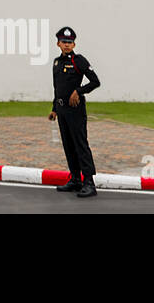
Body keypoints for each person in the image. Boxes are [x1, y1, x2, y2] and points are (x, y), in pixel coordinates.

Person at [48, 26, 100, 197]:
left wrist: (79, 91)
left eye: (70, 42)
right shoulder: (57, 62)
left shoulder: (79, 61)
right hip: (62, 110)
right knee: (68, 146)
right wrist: (54, 109)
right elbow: (58, 88)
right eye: (64, 42)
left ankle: (89, 183)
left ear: (74, 44)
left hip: (75, 111)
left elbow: (95, 82)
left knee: (80, 145)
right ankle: (76, 179)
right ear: (58, 43)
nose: (67, 45)